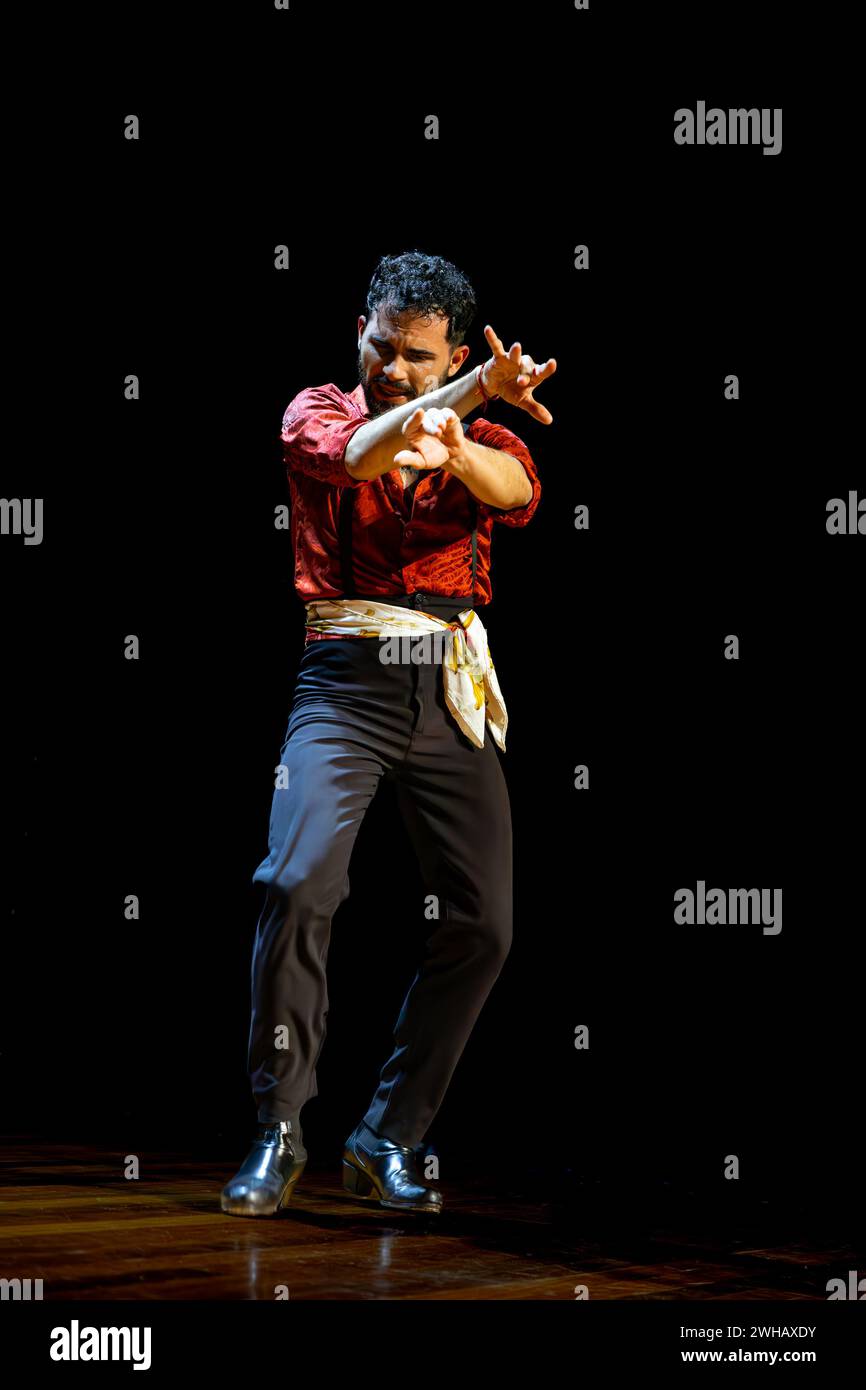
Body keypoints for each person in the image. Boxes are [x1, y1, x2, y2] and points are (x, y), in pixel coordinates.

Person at [221, 251, 556, 1217]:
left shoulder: (478, 431)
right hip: (347, 678)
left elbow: (511, 491)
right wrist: (453, 396)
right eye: (382, 347)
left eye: (418, 356)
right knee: (294, 881)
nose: (393, 370)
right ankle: (277, 1128)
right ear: (360, 328)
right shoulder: (317, 408)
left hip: (449, 686)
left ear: (449, 347)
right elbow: (361, 452)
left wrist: (461, 437)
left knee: (485, 926)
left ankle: (389, 1136)